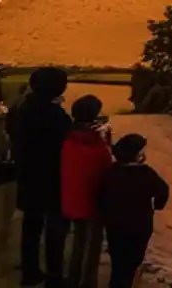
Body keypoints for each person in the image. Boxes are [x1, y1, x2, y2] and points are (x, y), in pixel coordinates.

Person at [10, 67, 73, 287]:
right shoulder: (56, 115)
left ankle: (30, 272)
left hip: (27, 175)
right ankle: (54, 276)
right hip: (53, 178)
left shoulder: (22, 108)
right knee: (55, 229)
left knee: (31, 227)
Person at [98, 134, 168, 288]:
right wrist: (157, 205)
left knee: (118, 259)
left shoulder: (111, 172)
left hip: (115, 224)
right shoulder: (146, 174)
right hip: (139, 225)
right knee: (132, 260)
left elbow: (100, 195)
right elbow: (163, 191)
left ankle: (117, 282)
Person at [61, 95, 113, 288]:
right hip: (92, 200)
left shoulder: (69, 139)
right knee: (92, 246)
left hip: (72, 199)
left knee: (79, 242)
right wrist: (106, 140)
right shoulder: (94, 143)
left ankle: (73, 277)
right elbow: (106, 166)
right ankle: (87, 282)